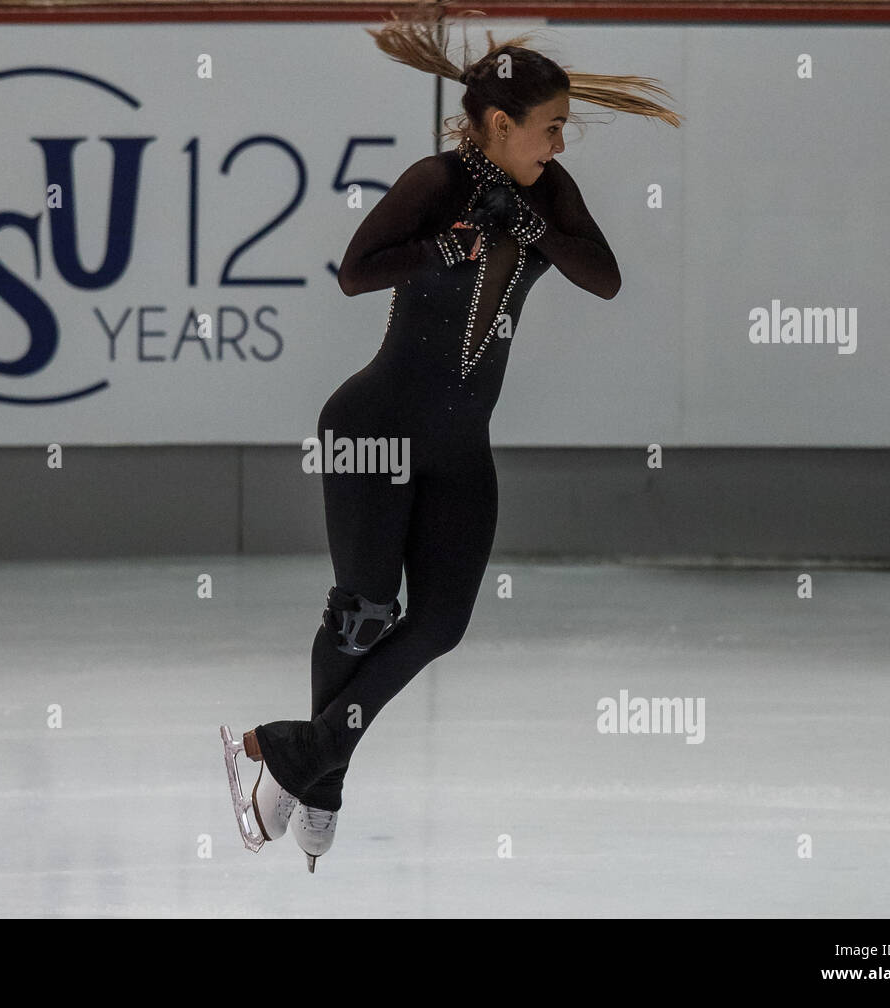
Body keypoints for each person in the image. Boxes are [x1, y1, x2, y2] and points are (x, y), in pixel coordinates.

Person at [222, 11, 681, 872]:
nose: (560, 140)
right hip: (373, 428)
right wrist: (445, 246)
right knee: (364, 615)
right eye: (550, 127)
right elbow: (357, 272)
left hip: (461, 449)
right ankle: (322, 780)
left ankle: (296, 750)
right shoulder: (434, 181)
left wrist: (534, 226)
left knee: (437, 624)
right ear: (500, 127)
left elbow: (606, 278)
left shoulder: (549, 192)